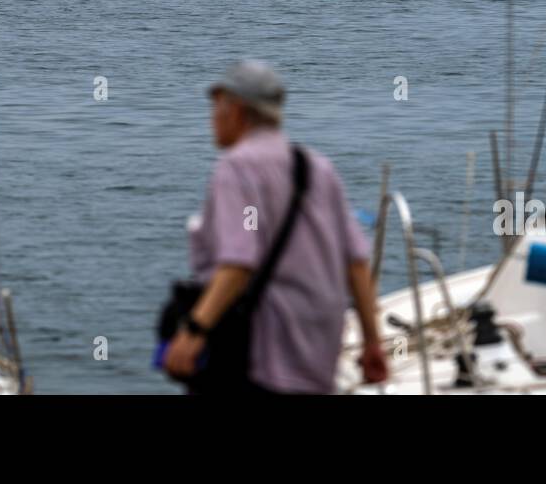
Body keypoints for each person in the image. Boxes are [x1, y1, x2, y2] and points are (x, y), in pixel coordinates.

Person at [163, 60, 388, 393]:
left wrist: (194, 330)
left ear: (237, 110)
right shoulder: (316, 167)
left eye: (216, 106)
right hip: (319, 349)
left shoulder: (236, 168)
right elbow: (356, 262)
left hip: (260, 351)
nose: (211, 117)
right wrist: (373, 342)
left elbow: (239, 263)